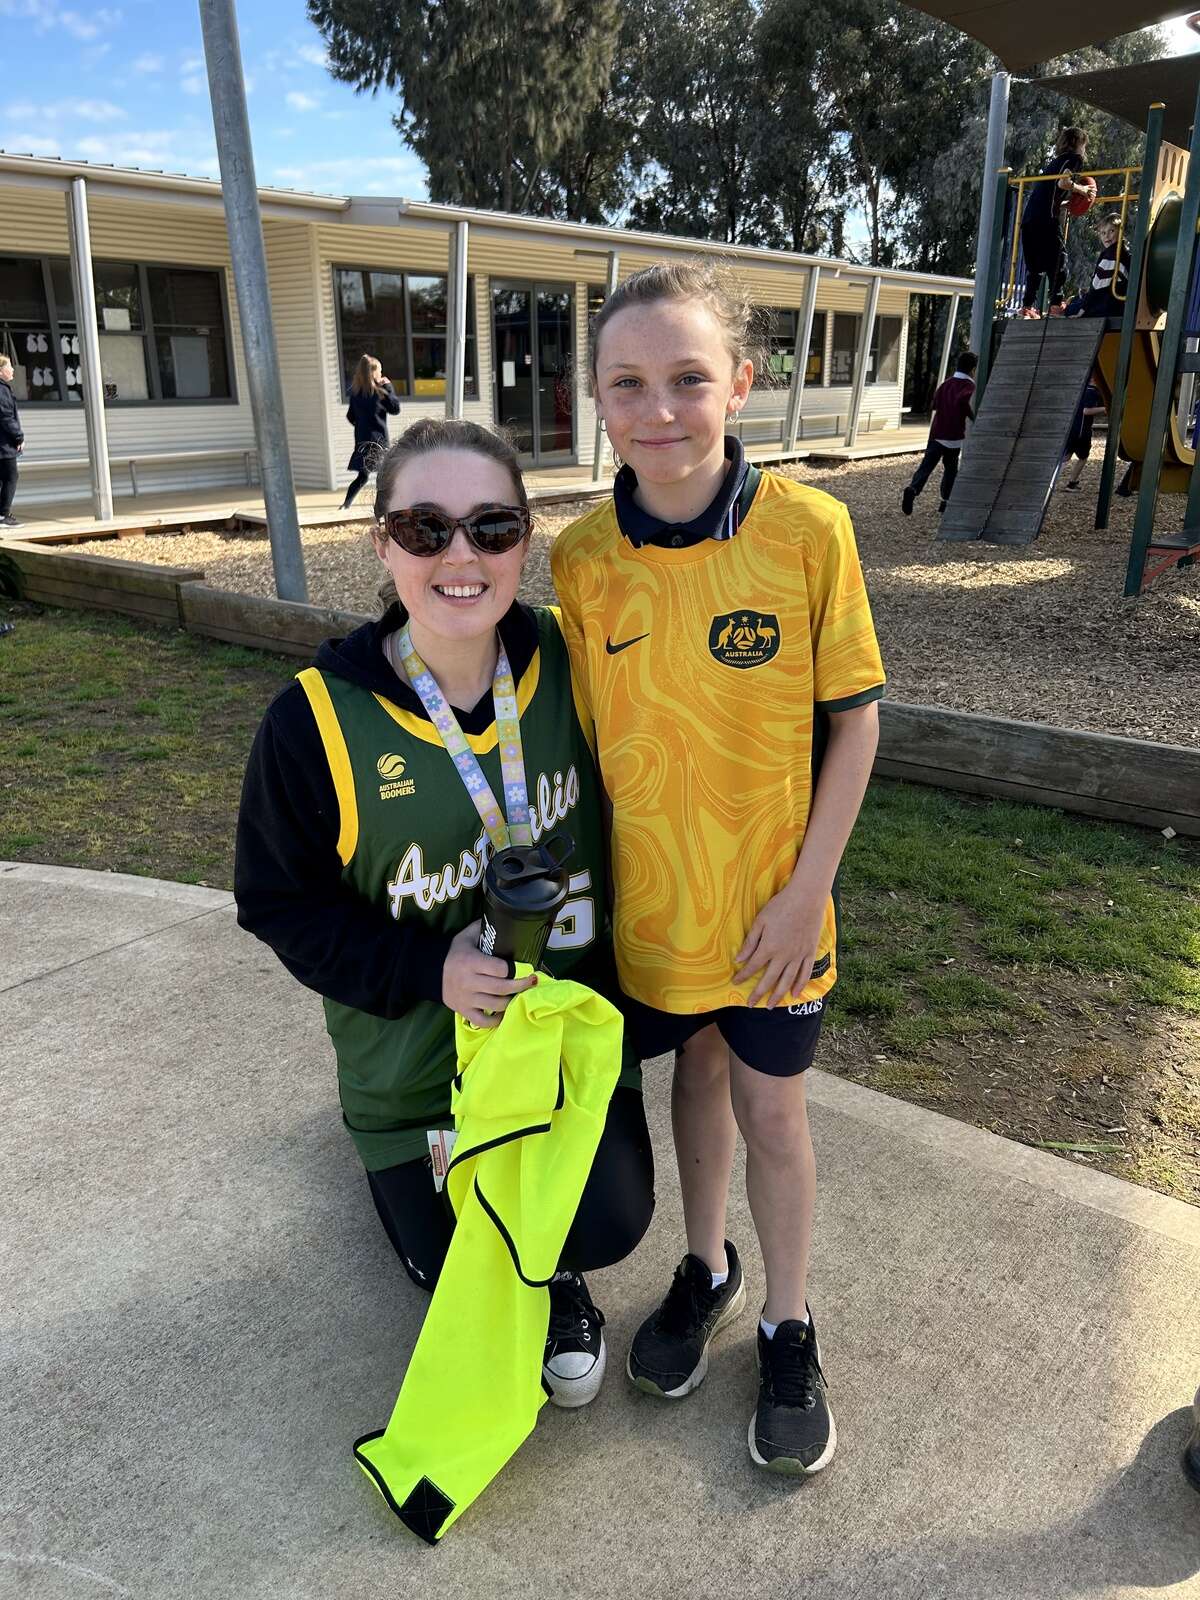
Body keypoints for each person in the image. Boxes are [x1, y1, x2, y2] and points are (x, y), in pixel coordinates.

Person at [235, 416, 653, 1409]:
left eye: (492, 527)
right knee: (447, 1271)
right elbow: (278, 902)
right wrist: (434, 971)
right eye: (426, 528)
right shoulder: (316, 718)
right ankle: (400, 1177)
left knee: (603, 1226)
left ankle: (557, 1274)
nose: (460, 556)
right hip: (417, 1076)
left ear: (525, 541)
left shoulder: (572, 661)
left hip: (559, 1054)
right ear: (381, 543)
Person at [551, 262, 884, 1477]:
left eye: (689, 379)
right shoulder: (583, 561)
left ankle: (790, 1323)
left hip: (776, 918)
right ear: (595, 399)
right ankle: (708, 1270)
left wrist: (807, 894)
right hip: (657, 917)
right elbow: (590, 747)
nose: (660, 409)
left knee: (772, 1108)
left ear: (740, 384)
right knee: (696, 1080)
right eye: (627, 382)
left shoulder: (810, 530)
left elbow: (855, 722)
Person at [1020, 126, 1092, 319]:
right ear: (1077, 143)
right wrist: (1082, 191)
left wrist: (1067, 202)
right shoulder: (1074, 159)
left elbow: (1051, 193)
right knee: (1059, 260)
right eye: (1084, 145)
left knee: (1034, 267)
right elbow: (1063, 182)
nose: (1084, 150)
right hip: (1046, 219)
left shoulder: (1054, 162)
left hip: (1029, 219)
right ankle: (1055, 304)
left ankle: (1027, 306)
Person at [901, 351, 977, 516]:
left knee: (926, 466)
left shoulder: (946, 383)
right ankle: (945, 502)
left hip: (937, 433)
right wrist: (973, 418)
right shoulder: (969, 385)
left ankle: (913, 489)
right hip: (954, 435)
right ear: (973, 369)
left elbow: (934, 404)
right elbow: (963, 401)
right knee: (950, 469)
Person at [341, 354, 400, 510]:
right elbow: (395, 409)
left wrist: (362, 425)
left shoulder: (356, 394)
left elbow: (350, 416)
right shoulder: (380, 392)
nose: (381, 374)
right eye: (379, 371)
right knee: (384, 476)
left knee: (363, 476)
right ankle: (383, 508)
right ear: (374, 372)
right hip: (378, 441)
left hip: (362, 440)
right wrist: (389, 387)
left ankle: (345, 505)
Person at [1067, 212, 1131, 319]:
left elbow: (1097, 289)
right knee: (1075, 299)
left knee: (1069, 308)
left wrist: (1081, 311)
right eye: (1103, 233)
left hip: (1108, 306)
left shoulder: (1111, 256)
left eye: (1111, 231)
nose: (1107, 236)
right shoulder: (1123, 252)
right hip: (1115, 303)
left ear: (1121, 232)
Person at [1060, 381, 1106, 491]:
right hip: (1081, 431)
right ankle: (1071, 483)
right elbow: (1086, 411)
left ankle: (1051, 480)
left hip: (1073, 428)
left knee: (1066, 456)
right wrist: (1104, 409)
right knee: (1083, 457)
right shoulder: (1091, 392)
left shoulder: (1082, 389)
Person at [0, 351, 24, 530]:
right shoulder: (2, 390)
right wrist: (19, 436)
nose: (13, 370)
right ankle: (3, 515)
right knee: (11, 476)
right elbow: (6, 417)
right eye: (9, 366)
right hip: (4, 444)